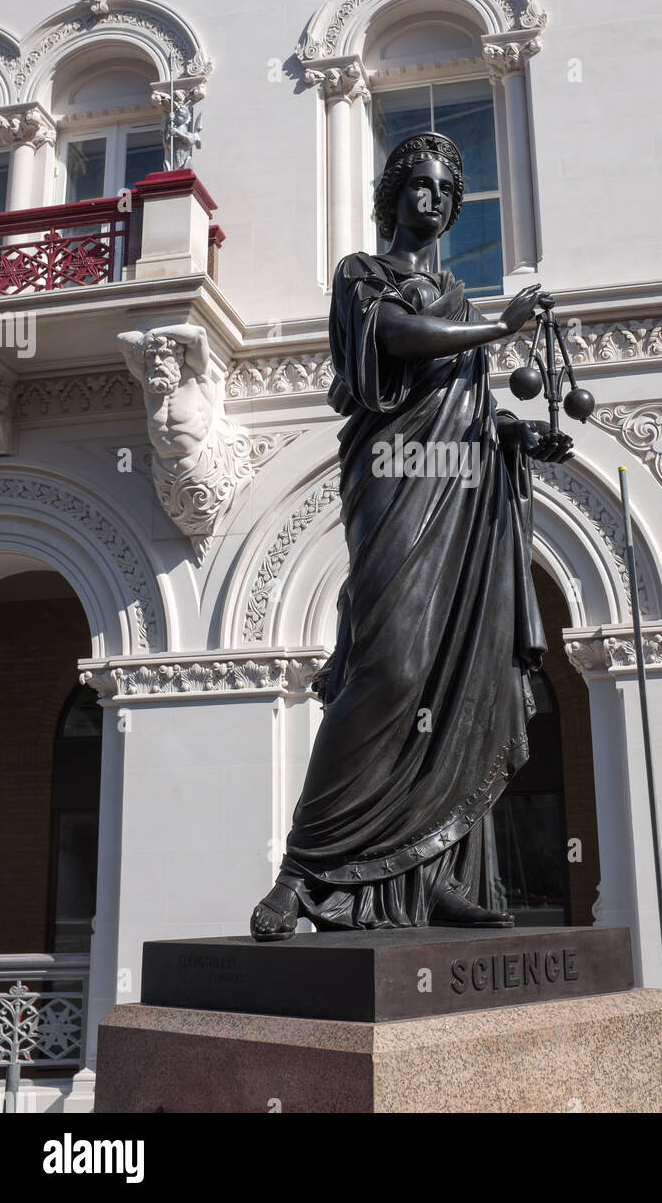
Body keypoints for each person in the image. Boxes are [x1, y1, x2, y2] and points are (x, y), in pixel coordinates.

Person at [251, 132, 572, 939]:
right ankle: (304, 868)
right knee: (389, 667)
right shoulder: (365, 275)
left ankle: (430, 877)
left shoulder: (459, 299)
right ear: (393, 195)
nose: (429, 200)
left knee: (451, 679)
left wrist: (517, 439)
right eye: (417, 186)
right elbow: (396, 342)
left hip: (462, 492)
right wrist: (503, 330)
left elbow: (464, 409)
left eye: (442, 190)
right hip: (394, 479)